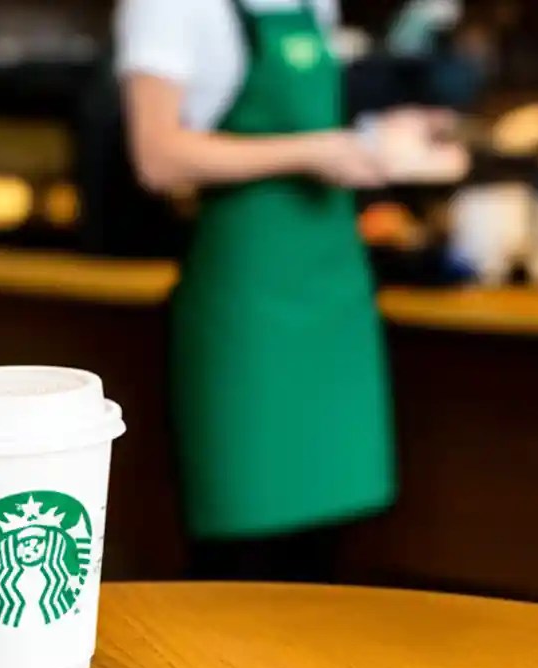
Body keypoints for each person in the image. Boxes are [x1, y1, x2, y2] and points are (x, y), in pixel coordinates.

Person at [116, 0, 405, 581]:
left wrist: (380, 142)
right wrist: (315, 151)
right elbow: (157, 156)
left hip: (334, 300)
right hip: (247, 310)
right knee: (245, 543)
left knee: (332, 553)